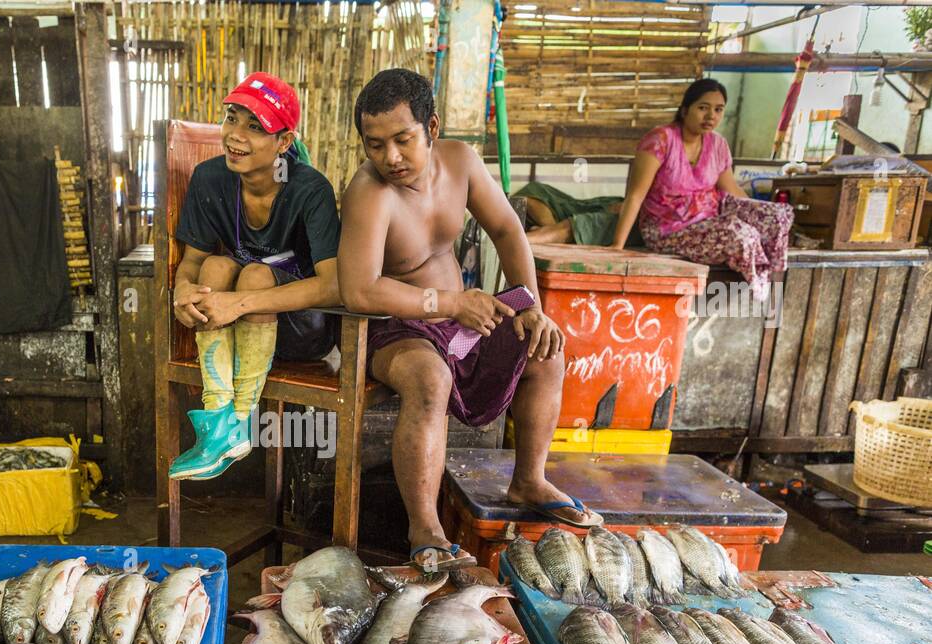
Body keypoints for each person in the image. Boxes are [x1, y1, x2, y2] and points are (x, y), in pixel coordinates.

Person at [338, 69, 603, 572]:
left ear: (432, 127)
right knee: (430, 378)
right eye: (374, 145)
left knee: (544, 344)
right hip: (394, 327)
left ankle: (529, 479)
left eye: (402, 140)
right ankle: (424, 526)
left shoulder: (461, 161)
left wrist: (530, 305)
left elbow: (507, 229)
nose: (389, 157)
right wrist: (451, 302)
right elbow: (360, 290)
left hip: (459, 319)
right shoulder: (369, 193)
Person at [168, 72, 343, 480]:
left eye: (255, 127)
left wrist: (239, 303)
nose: (235, 135)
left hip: (303, 330)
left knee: (255, 277)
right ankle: (219, 425)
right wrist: (183, 292)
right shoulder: (211, 178)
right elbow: (193, 261)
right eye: (232, 118)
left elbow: (334, 286)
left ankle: (242, 421)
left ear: (283, 142)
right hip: (240, 327)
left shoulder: (308, 189)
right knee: (214, 267)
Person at [611, 78, 793, 300]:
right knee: (736, 233)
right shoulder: (661, 140)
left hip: (709, 221)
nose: (711, 116)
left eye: (718, 110)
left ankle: (772, 278)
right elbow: (635, 195)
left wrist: (757, 215)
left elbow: (732, 189)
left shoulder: (718, 145)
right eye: (703, 108)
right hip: (668, 229)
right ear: (685, 109)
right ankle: (758, 283)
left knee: (779, 215)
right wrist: (617, 246)